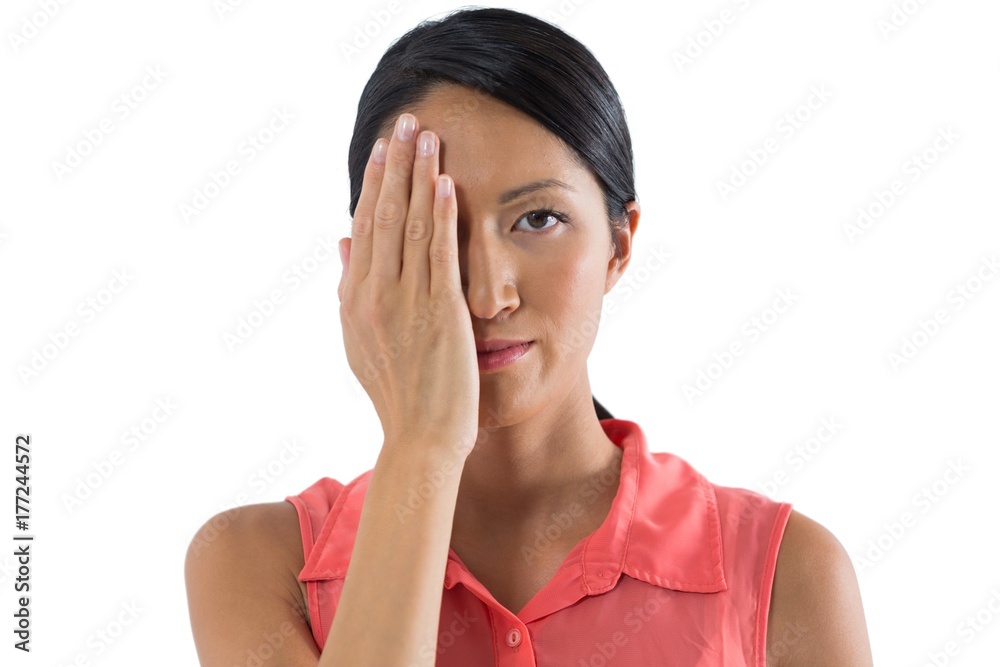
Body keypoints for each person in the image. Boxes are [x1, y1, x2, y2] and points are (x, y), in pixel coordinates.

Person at [184, 7, 873, 665]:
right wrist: (422, 444)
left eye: (538, 218)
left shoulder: (787, 575)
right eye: (434, 230)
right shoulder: (255, 562)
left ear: (619, 244)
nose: (487, 295)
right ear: (367, 264)